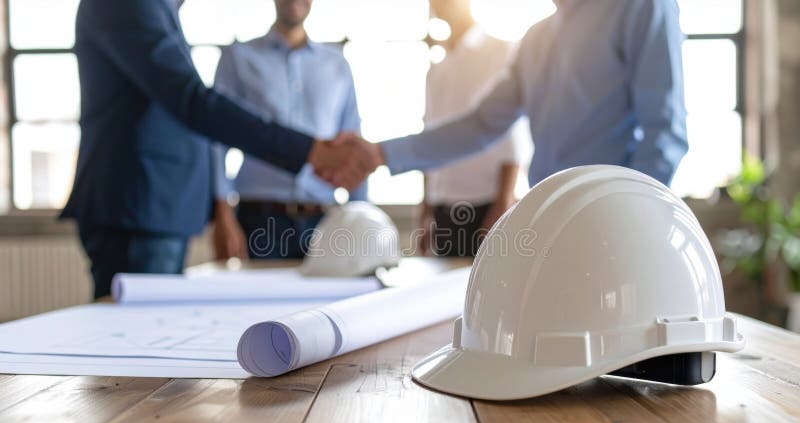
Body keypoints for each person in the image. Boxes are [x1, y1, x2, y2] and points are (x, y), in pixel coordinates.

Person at [60, 0, 359, 298]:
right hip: (140, 203)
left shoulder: (159, 8)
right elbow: (192, 101)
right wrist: (309, 152)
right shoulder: (132, 5)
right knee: (135, 333)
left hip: (156, 206)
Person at [325, 0, 689, 198]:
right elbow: (480, 125)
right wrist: (380, 153)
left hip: (614, 220)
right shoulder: (536, 37)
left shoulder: (642, 6)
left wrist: (633, 219)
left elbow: (664, 132)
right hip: (548, 220)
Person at [211, 0, 367, 261]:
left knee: (325, 303)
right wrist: (222, 215)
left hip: (325, 221)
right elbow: (216, 142)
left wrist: (362, 218)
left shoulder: (337, 65)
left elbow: (353, 144)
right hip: (259, 219)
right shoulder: (238, 57)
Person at [420, 0, 530, 257]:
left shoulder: (500, 52)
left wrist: (502, 204)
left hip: (488, 207)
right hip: (442, 208)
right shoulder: (437, 69)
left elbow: (513, 135)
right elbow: (429, 140)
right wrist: (424, 209)